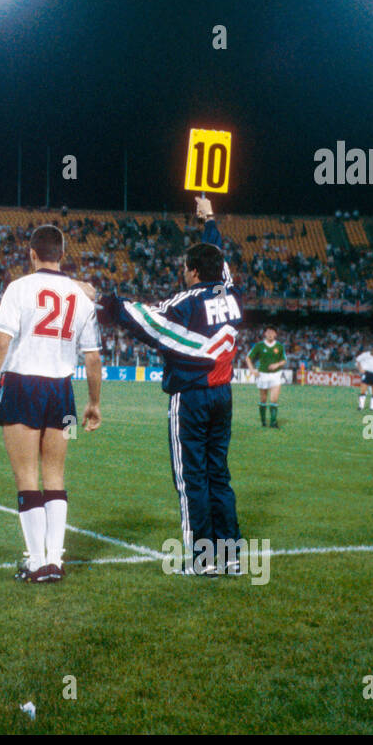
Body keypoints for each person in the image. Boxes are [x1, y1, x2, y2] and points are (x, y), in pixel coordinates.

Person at [94, 195, 242, 575]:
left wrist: (103, 300)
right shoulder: (229, 294)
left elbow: (147, 319)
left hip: (191, 396)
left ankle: (203, 560)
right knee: (219, 476)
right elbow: (219, 257)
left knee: (191, 477)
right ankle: (232, 556)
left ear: (192, 271)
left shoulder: (185, 302)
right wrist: (209, 220)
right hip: (223, 394)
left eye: (185, 268)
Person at [0, 224, 102, 585]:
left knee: (27, 476)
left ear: (31, 254)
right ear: (62, 254)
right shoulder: (82, 296)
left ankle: (36, 563)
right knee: (56, 476)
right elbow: (92, 358)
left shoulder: (19, 288)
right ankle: (54, 561)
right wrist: (94, 402)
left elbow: (1, 343)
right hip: (62, 390)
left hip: (21, 385)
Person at [245, 326, 286, 428]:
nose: (270, 334)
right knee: (263, 399)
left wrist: (277, 365)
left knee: (274, 399)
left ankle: (273, 423)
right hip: (262, 374)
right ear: (265, 334)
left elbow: (284, 360)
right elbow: (248, 358)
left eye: (272, 332)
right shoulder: (259, 345)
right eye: (268, 332)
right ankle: (263, 422)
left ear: (275, 334)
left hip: (276, 375)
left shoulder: (279, 346)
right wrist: (252, 370)